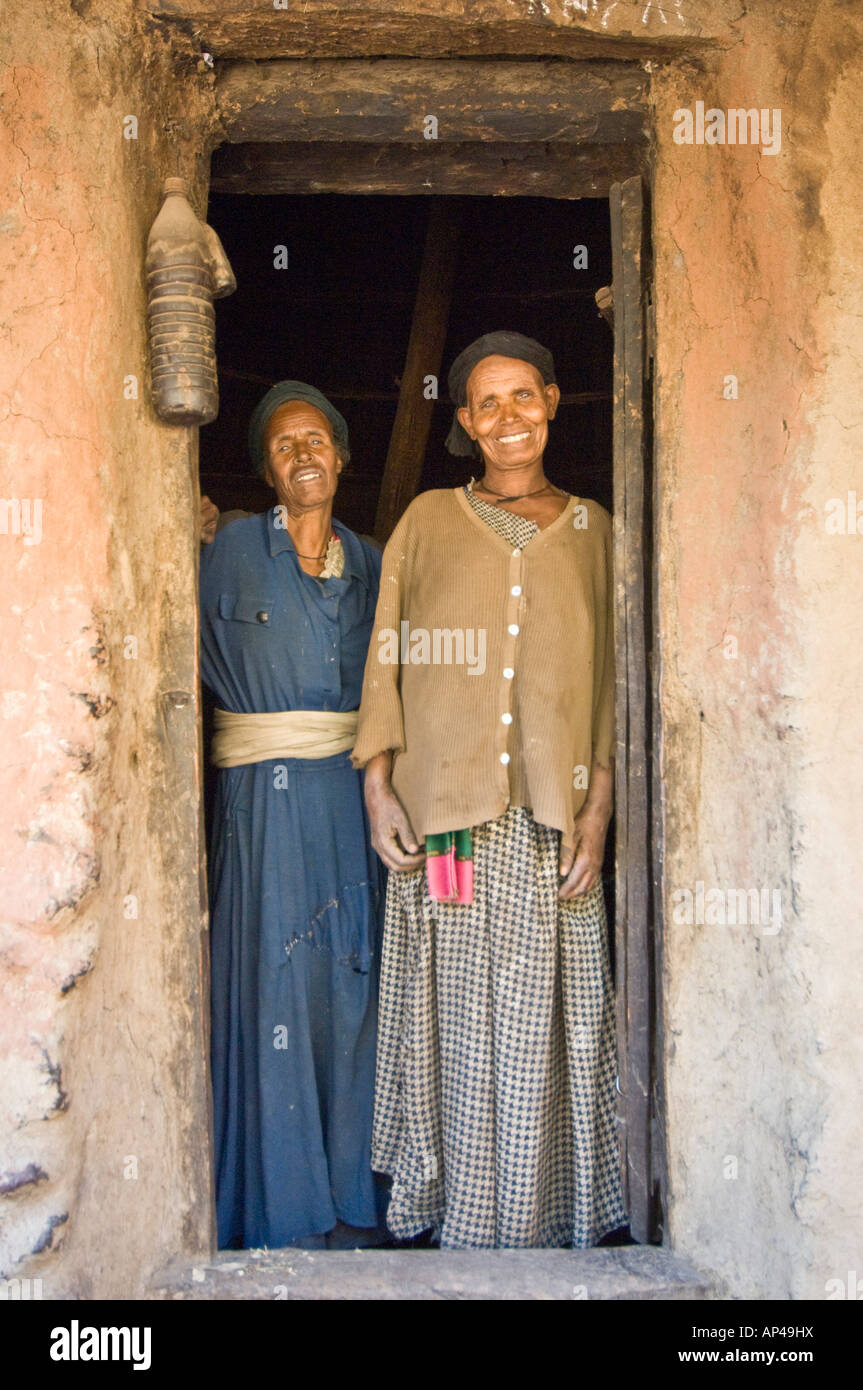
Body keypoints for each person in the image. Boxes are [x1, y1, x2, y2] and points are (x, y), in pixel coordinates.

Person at [351, 331, 627, 1249]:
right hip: (449, 833)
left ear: (550, 402)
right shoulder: (427, 521)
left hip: (551, 826)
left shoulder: (596, 531)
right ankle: (462, 1214)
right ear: (464, 422)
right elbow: (385, 649)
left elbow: (611, 684)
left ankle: (544, 1220)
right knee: (457, 1015)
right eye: (487, 404)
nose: (508, 417)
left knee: (554, 1020)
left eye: (523, 397)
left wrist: (596, 812)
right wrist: (379, 783)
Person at [199, 381, 385, 1249]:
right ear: (267, 473)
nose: (303, 453)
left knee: (353, 986)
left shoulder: (376, 563)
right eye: (283, 446)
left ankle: (356, 1196)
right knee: (271, 981)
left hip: (354, 801)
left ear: (341, 458)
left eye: (316, 439)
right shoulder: (227, 549)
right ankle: (277, 1203)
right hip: (260, 811)